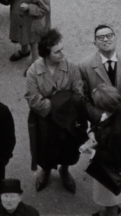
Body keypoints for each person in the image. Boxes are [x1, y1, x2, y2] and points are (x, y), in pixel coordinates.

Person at [79, 24, 121, 183]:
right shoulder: (85, 66)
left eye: (109, 35)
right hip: (104, 120)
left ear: (116, 38)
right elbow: (84, 98)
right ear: (95, 43)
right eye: (101, 37)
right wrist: (99, 116)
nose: (106, 39)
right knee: (110, 148)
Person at [24, 28, 85, 194]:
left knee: (67, 148)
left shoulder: (71, 68)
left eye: (62, 49)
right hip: (45, 120)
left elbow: (79, 93)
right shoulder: (33, 71)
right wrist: (59, 102)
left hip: (68, 119)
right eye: (57, 51)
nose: (62, 54)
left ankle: (64, 171)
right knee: (45, 149)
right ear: (46, 53)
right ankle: (46, 171)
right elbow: (33, 100)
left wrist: (58, 102)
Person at [79, 84, 121, 216]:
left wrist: (92, 152)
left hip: (112, 169)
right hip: (119, 163)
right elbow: (100, 125)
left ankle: (110, 213)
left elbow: (114, 157)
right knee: (111, 199)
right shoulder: (118, 111)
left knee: (110, 200)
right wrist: (92, 133)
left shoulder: (117, 131)